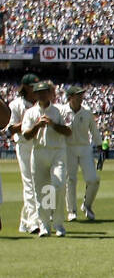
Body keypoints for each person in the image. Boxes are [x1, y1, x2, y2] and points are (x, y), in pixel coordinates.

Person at [21, 80, 71, 237]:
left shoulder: (59, 111)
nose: (42, 95)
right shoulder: (30, 113)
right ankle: (44, 225)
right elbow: (26, 135)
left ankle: (58, 223)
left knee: (59, 185)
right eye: (39, 93)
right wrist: (37, 126)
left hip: (57, 152)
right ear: (35, 95)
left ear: (50, 93)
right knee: (41, 191)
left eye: (45, 92)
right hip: (39, 153)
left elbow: (68, 131)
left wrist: (53, 124)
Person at [60, 85, 101, 222]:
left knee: (93, 179)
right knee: (70, 180)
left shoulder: (87, 111)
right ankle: (71, 211)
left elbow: (94, 130)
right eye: (78, 95)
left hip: (84, 148)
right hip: (68, 148)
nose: (81, 97)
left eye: (82, 95)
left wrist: (100, 145)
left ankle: (87, 205)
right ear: (70, 97)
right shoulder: (62, 111)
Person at [7, 73, 39, 234]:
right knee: (29, 184)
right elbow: (9, 129)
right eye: (32, 86)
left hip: (40, 146)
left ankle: (24, 222)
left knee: (39, 183)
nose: (35, 89)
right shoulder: (15, 104)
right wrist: (28, 122)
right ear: (25, 87)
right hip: (24, 145)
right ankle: (34, 222)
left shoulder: (41, 104)